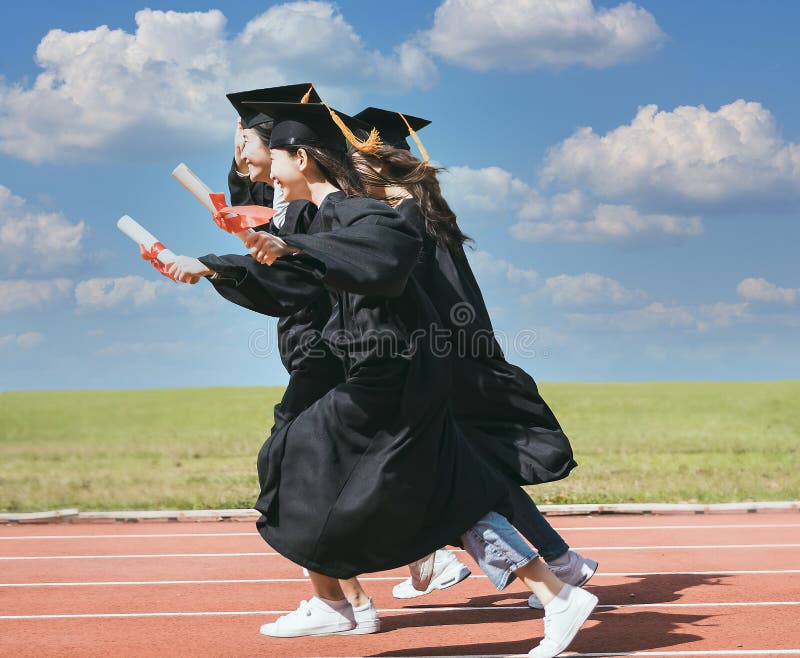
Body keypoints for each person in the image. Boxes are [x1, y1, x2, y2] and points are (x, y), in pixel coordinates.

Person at [167, 100, 598, 656]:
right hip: (373, 373)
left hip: (398, 375)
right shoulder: (316, 219)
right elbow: (294, 289)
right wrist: (216, 266)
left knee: (303, 452)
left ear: (303, 157)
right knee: (447, 492)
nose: (269, 175)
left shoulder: (363, 214)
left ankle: (354, 597)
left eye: (276, 159)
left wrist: (288, 246)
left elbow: (380, 256)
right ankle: (557, 591)